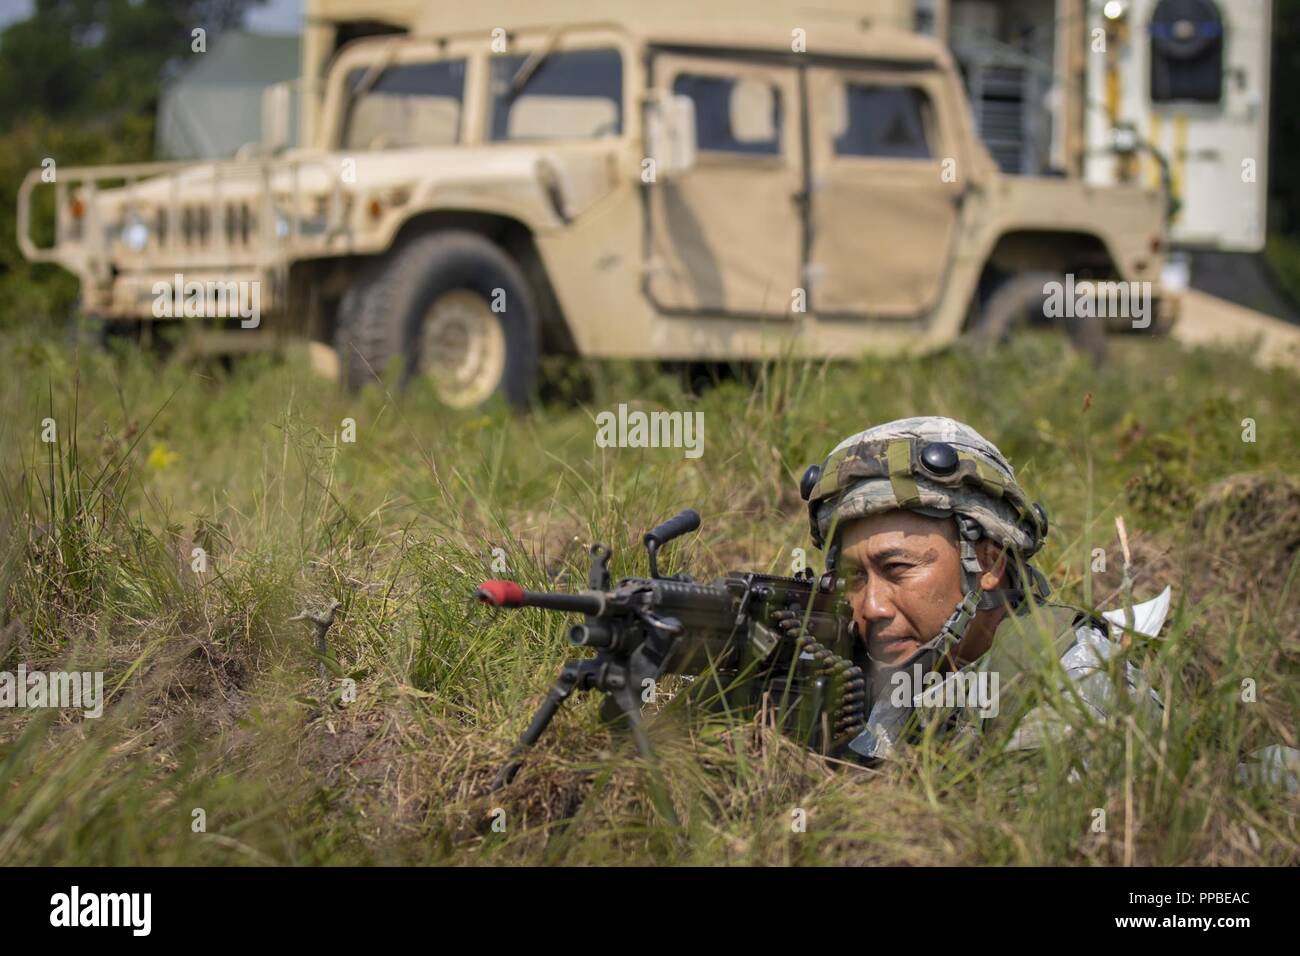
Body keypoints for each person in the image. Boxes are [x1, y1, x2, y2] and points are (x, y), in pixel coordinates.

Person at [795, 415, 1162, 762]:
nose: (872, 607)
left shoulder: (1073, 688)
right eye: (854, 577)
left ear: (988, 562)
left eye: (897, 568)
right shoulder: (883, 667)